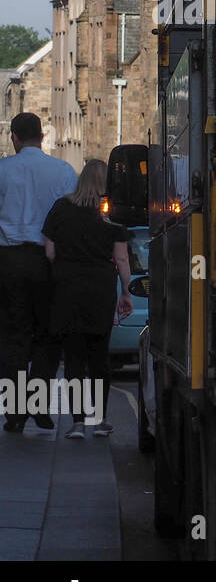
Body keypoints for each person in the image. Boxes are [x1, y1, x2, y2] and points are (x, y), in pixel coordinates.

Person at [42, 159, 132, 439]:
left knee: (74, 359)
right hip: (100, 289)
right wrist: (126, 291)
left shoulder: (61, 207)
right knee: (98, 357)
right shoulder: (111, 214)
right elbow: (121, 257)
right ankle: (100, 419)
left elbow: (49, 252)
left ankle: (77, 422)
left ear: (81, 180)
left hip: (67, 288)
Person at [0, 113, 78, 432]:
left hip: (8, 259)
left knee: (12, 336)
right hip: (49, 258)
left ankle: (16, 412)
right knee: (49, 334)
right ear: (42, 136)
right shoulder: (63, 171)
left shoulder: (3, 170)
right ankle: (38, 401)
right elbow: (72, 219)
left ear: (14, 138)